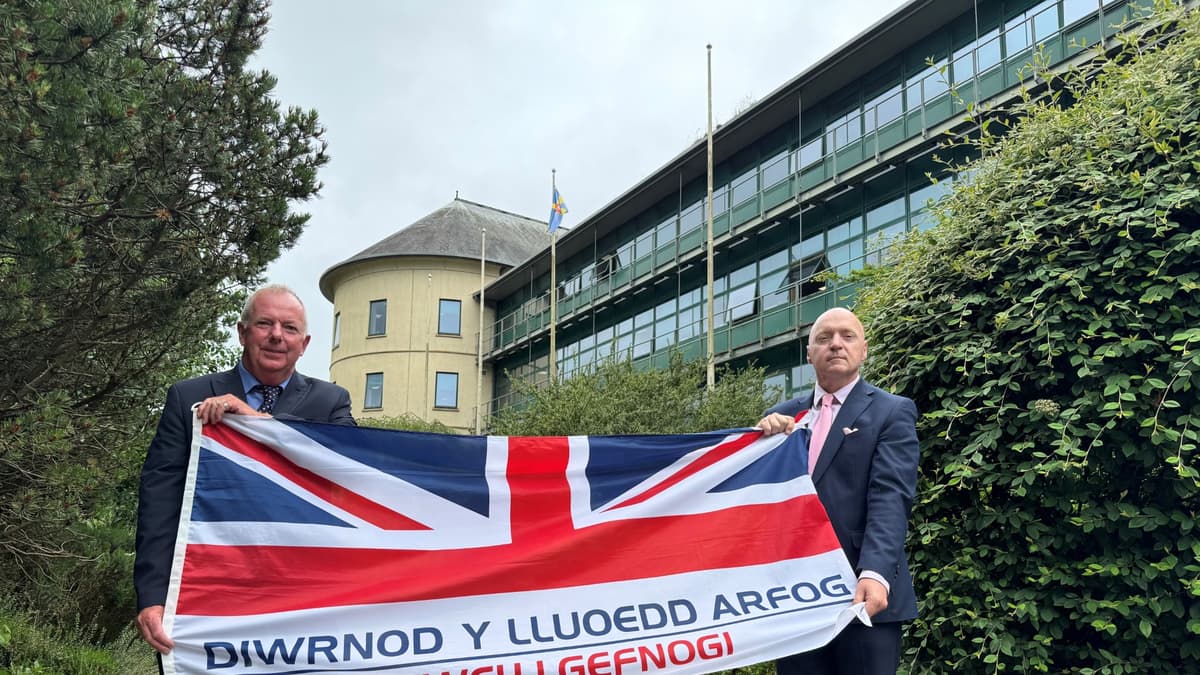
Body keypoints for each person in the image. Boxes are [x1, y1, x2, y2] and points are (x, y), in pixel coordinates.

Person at [133, 284, 355, 654]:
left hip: (300, 595)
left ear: (305, 342)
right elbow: (160, 503)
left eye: (289, 328)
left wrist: (254, 420)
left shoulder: (331, 402)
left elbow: (345, 468)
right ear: (242, 332)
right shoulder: (187, 397)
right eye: (264, 324)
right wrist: (152, 596)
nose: (276, 337)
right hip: (205, 593)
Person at [758, 307, 919, 675]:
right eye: (823, 338)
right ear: (809, 352)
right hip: (796, 599)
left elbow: (890, 497)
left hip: (864, 594)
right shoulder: (780, 418)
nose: (835, 344)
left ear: (864, 350)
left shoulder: (892, 412)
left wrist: (875, 572)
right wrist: (759, 445)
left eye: (847, 336)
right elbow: (763, 503)